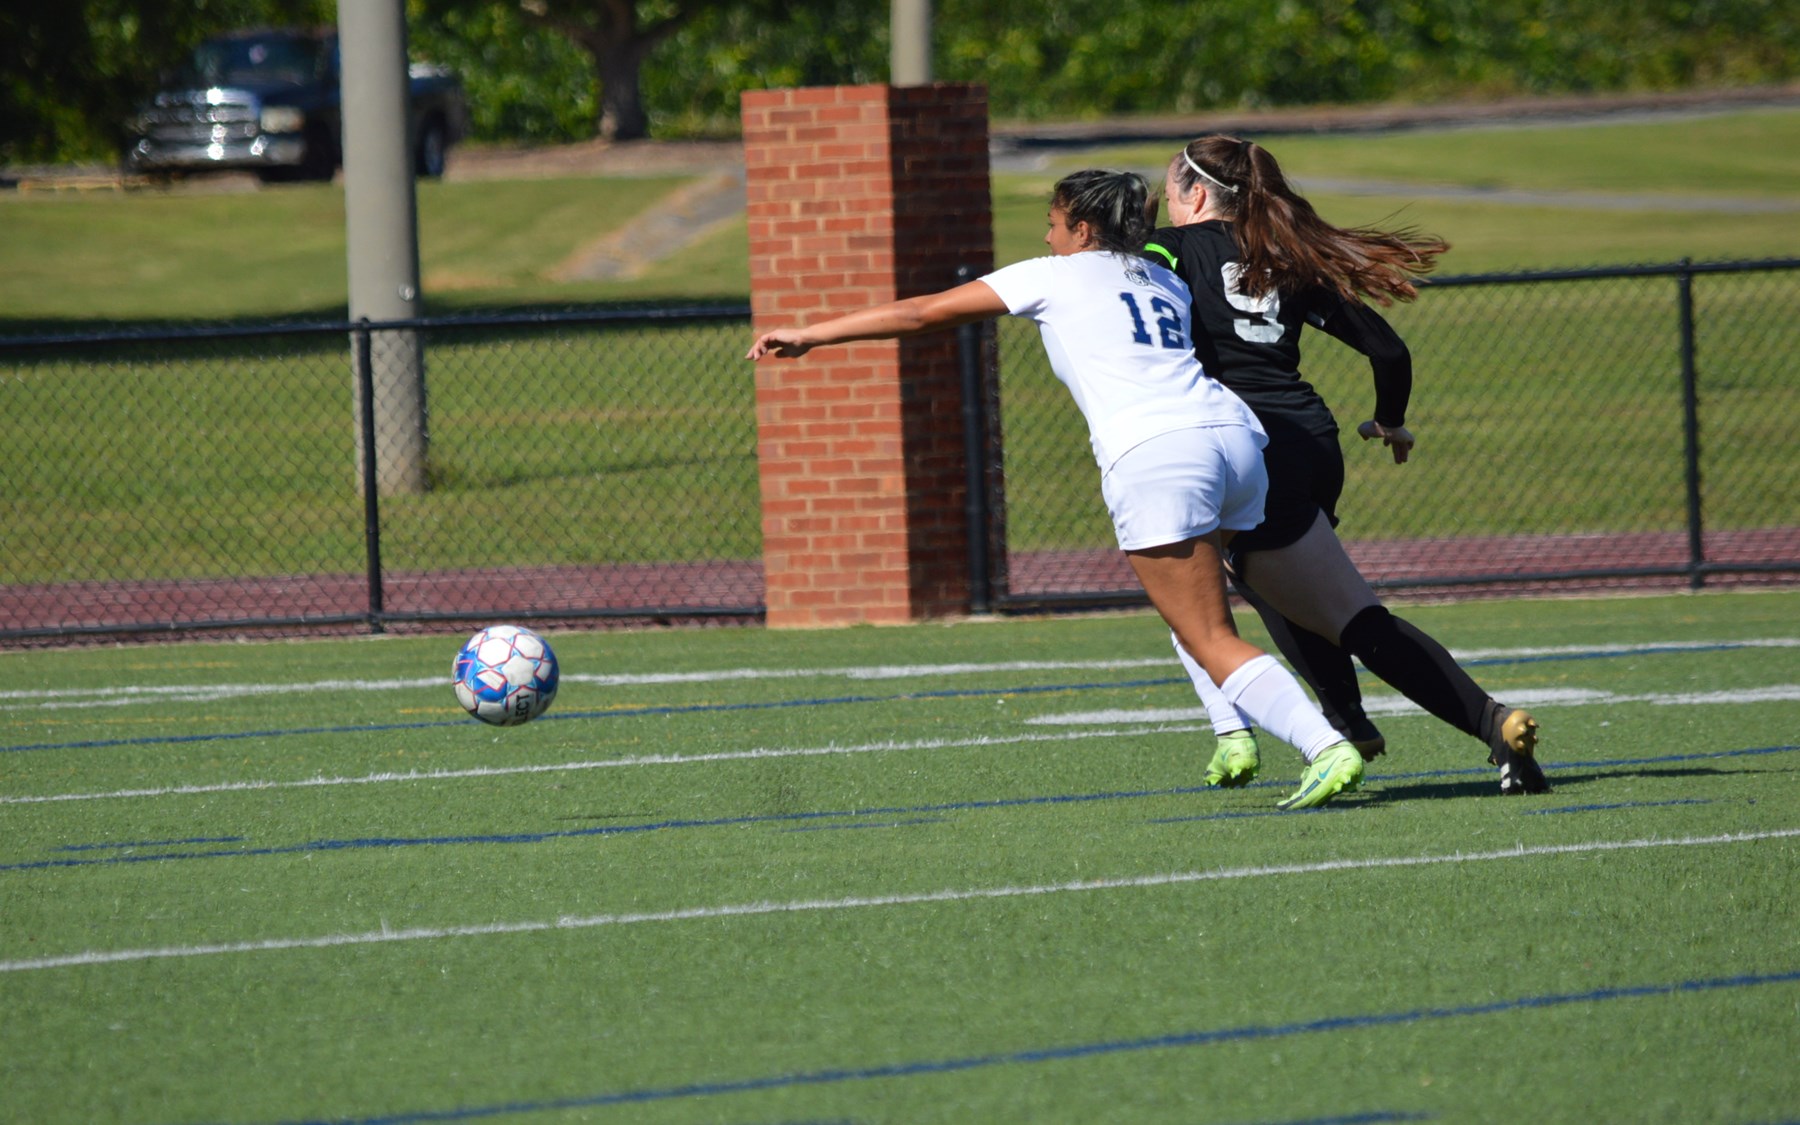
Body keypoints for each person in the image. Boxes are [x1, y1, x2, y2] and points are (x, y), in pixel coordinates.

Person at [749, 170, 1367, 810]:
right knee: (1194, 610)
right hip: (1236, 439)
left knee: (1207, 628)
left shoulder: (1051, 273)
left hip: (1160, 453)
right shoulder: (1163, 278)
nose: (1045, 236)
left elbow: (920, 312)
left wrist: (811, 334)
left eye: (1051, 223)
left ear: (1081, 228)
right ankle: (1232, 731)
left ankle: (1325, 745)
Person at [1143, 134, 1549, 796]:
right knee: (1281, 584)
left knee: (1350, 616)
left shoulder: (1172, 247)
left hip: (1245, 445)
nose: (1168, 206)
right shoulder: (1284, 254)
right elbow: (1389, 351)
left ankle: (1487, 719)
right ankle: (1348, 720)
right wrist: (1389, 421)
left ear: (1193, 194)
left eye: (1169, 194)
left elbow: (1122, 280)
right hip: (1312, 438)